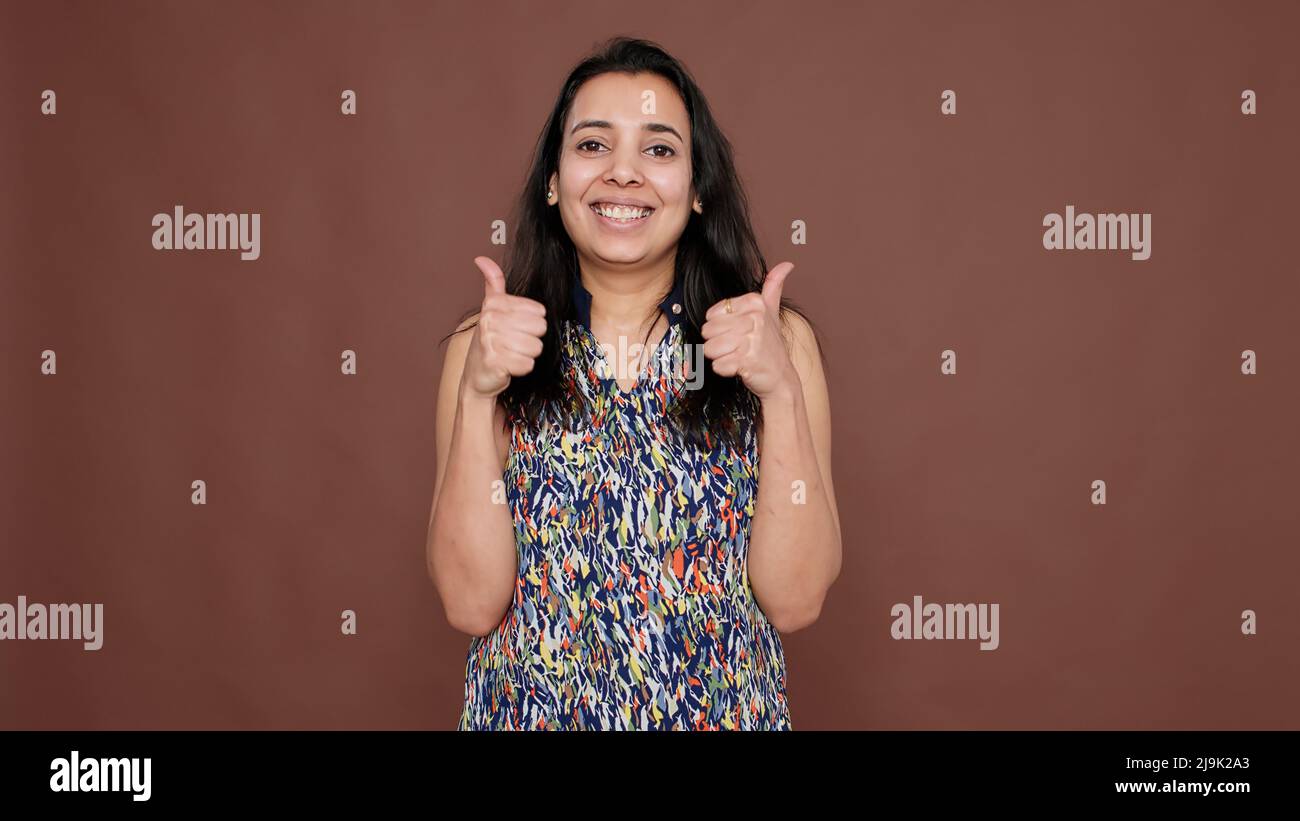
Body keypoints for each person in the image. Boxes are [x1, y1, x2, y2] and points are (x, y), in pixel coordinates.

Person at [426, 37, 841, 730]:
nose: (623, 173)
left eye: (658, 149)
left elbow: (796, 602)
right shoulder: (485, 348)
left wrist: (781, 391)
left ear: (698, 188)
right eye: (593, 145)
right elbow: (470, 605)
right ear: (553, 181)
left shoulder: (776, 342)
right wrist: (476, 395)